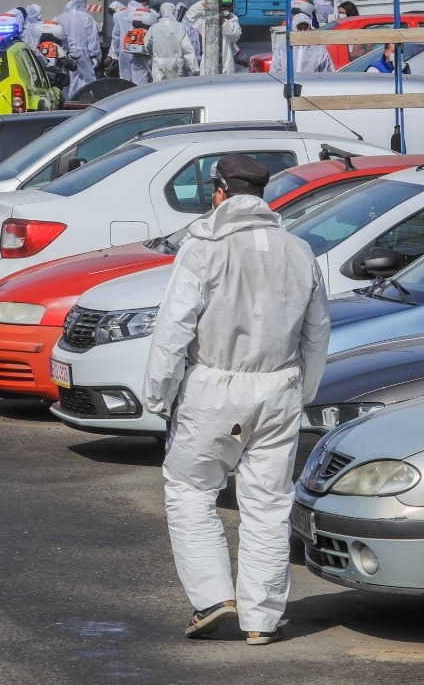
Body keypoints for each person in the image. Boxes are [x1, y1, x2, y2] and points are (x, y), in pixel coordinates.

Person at [141, 154, 330, 645]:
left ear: (220, 193)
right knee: (268, 504)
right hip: (280, 388)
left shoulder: (203, 248)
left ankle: (212, 598)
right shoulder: (298, 250)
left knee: (190, 490)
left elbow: (173, 328)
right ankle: (262, 619)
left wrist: (158, 394)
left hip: (214, 387)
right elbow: (317, 333)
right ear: (262, 196)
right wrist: (304, 391)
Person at [56, 0, 101, 97]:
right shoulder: (88, 18)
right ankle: (83, 99)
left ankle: (66, 99)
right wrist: (94, 55)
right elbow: (92, 38)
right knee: (86, 79)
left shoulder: (60, 18)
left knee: (67, 78)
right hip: (83, 54)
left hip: (64, 53)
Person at [270, 13, 335, 74]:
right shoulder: (282, 48)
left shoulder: (319, 48)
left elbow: (328, 70)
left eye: (305, 28)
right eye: (299, 28)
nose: (302, 31)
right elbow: (275, 71)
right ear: (294, 28)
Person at [150, 2, 198, 82]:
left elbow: (147, 43)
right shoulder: (179, 27)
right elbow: (187, 49)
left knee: (158, 87)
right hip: (175, 63)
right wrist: (195, 68)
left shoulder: (154, 27)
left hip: (158, 62)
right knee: (174, 86)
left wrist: (150, 51)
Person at [124, 7, 156, 85]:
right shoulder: (148, 32)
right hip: (147, 56)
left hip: (138, 56)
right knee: (153, 78)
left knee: (139, 79)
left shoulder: (137, 32)